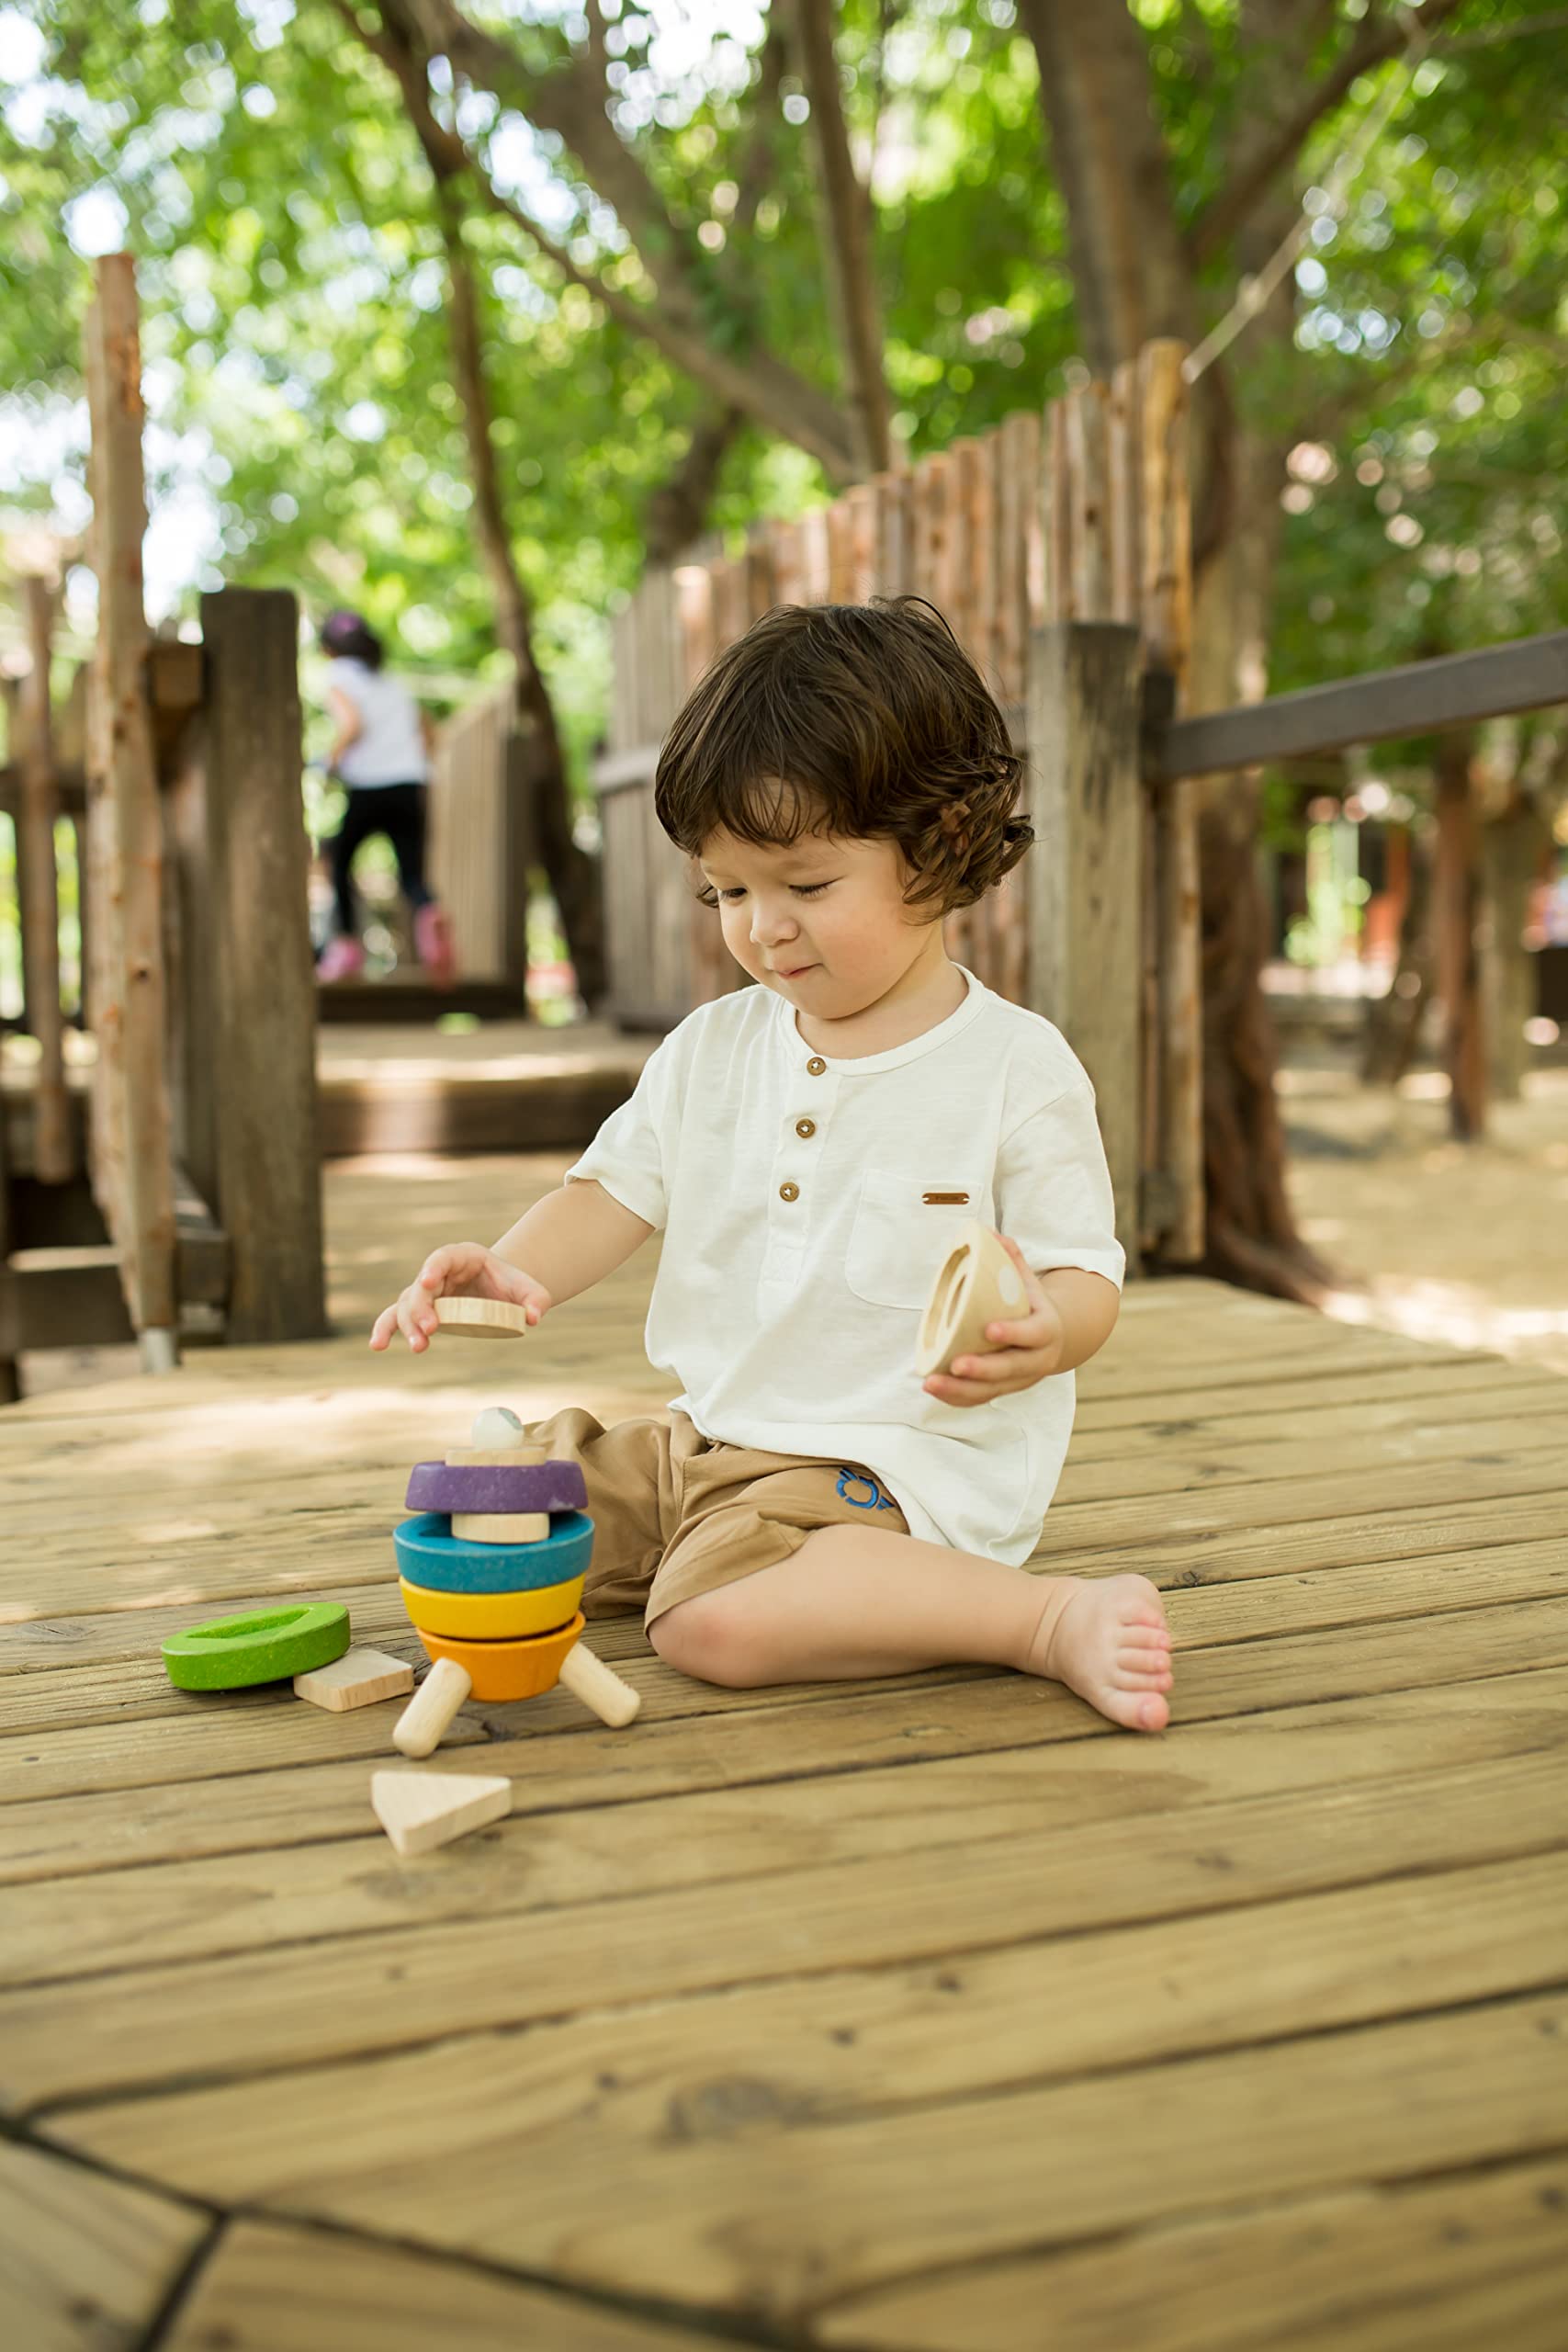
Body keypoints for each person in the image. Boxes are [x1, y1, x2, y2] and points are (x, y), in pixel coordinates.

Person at [370, 596, 1173, 1734]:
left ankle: (1039, 1619)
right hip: (709, 1439)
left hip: (892, 1471)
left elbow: (1086, 1275)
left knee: (710, 1625)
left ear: (939, 849)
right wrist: (510, 1268)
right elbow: (610, 1192)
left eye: (805, 885)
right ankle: (719, 1540)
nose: (762, 929)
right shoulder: (714, 1047)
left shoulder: (1013, 1068)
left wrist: (1050, 1329)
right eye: (729, 891)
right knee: (496, 1505)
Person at [314, 608, 454, 983]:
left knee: (340, 862)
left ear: (328, 648)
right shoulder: (393, 683)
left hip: (368, 785)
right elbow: (430, 734)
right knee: (412, 874)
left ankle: (344, 947)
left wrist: (329, 763)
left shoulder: (337, 676)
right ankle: (429, 912)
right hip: (410, 783)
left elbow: (351, 725)